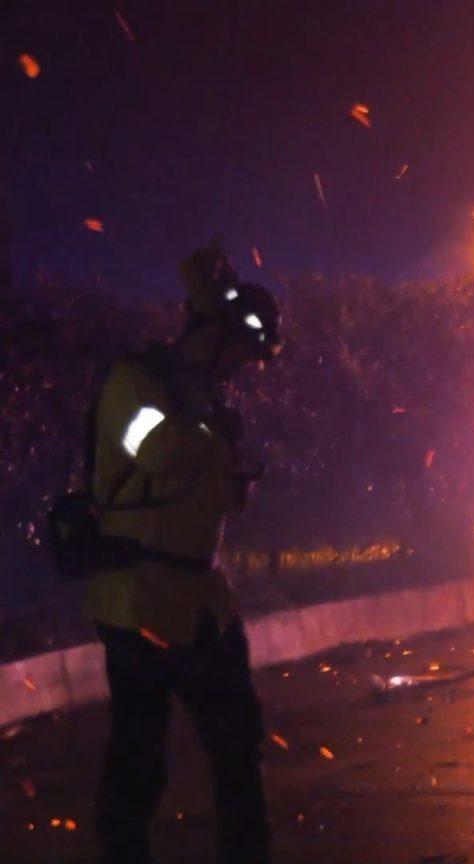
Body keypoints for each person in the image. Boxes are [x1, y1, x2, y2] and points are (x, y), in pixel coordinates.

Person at [84, 241, 282, 864]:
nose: (241, 369)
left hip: (203, 604)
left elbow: (211, 493)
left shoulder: (206, 401)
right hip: (138, 603)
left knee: (238, 746)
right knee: (139, 759)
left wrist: (234, 479)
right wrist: (212, 434)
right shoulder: (133, 382)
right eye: (239, 354)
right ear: (212, 337)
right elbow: (158, 452)